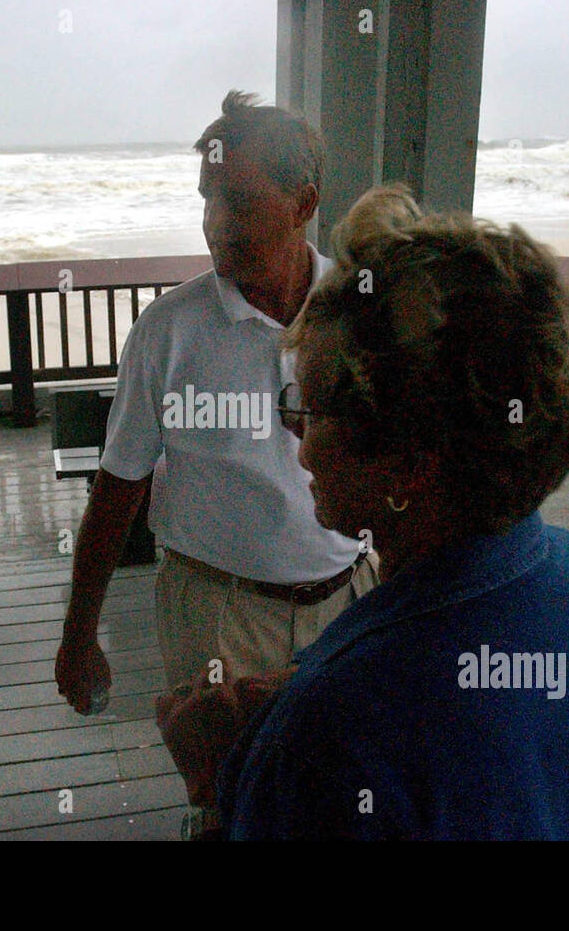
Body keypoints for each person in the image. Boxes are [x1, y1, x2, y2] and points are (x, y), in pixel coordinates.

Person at [161, 184, 569, 839]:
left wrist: (222, 777)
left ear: (407, 464)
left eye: (310, 411)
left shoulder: (328, 740)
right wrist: (317, 678)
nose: (295, 439)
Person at [55, 91, 377, 725]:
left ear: (304, 205)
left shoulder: (361, 310)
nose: (215, 222)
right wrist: (78, 634)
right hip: (218, 621)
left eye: (240, 202)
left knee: (345, 782)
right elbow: (118, 487)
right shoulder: (169, 332)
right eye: (207, 196)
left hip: (354, 600)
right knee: (230, 794)